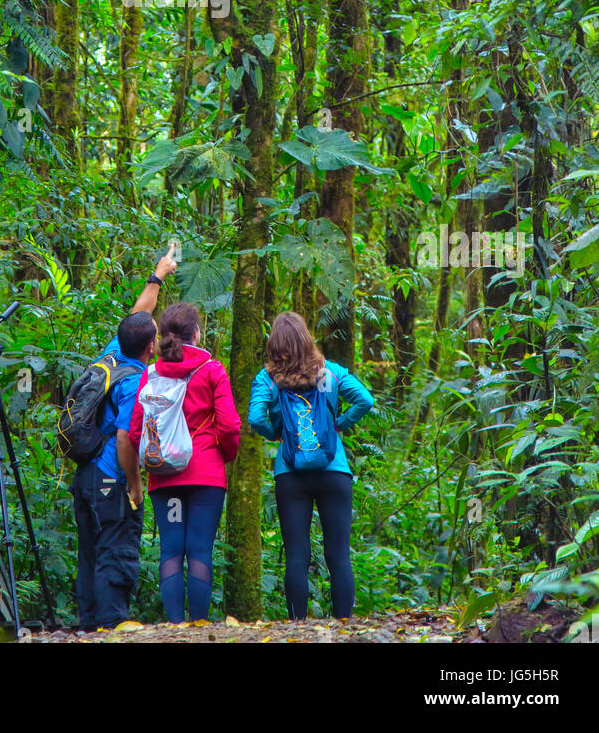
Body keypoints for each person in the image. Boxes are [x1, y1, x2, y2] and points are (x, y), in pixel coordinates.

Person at [71, 245, 178, 630]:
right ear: (151, 346)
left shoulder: (111, 358)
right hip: (109, 478)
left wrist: (159, 273)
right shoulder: (134, 381)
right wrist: (135, 487)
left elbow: (138, 315)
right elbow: (125, 440)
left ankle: (87, 627)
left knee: (89, 553)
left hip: (84, 476)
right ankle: (109, 627)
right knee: (114, 554)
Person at [248, 311, 374, 620]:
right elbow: (365, 400)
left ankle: (297, 626)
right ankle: (344, 623)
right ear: (307, 339)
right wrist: (339, 424)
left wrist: (275, 433)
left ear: (274, 344)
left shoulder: (268, 378)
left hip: (290, 474)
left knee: (296, 553)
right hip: (334, 470)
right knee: (339, 555)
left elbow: (254, 418)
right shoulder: (329, 372)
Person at [127, 301, 240, 623]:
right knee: (200, 549)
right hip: (206, 475)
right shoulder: (212, 370)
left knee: (172, 549)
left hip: (165, 478)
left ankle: (175, 627)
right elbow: (230, 425)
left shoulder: (149, 374)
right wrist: (224, 456)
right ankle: (199, 624)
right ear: (196, 333)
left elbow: (136, 430)